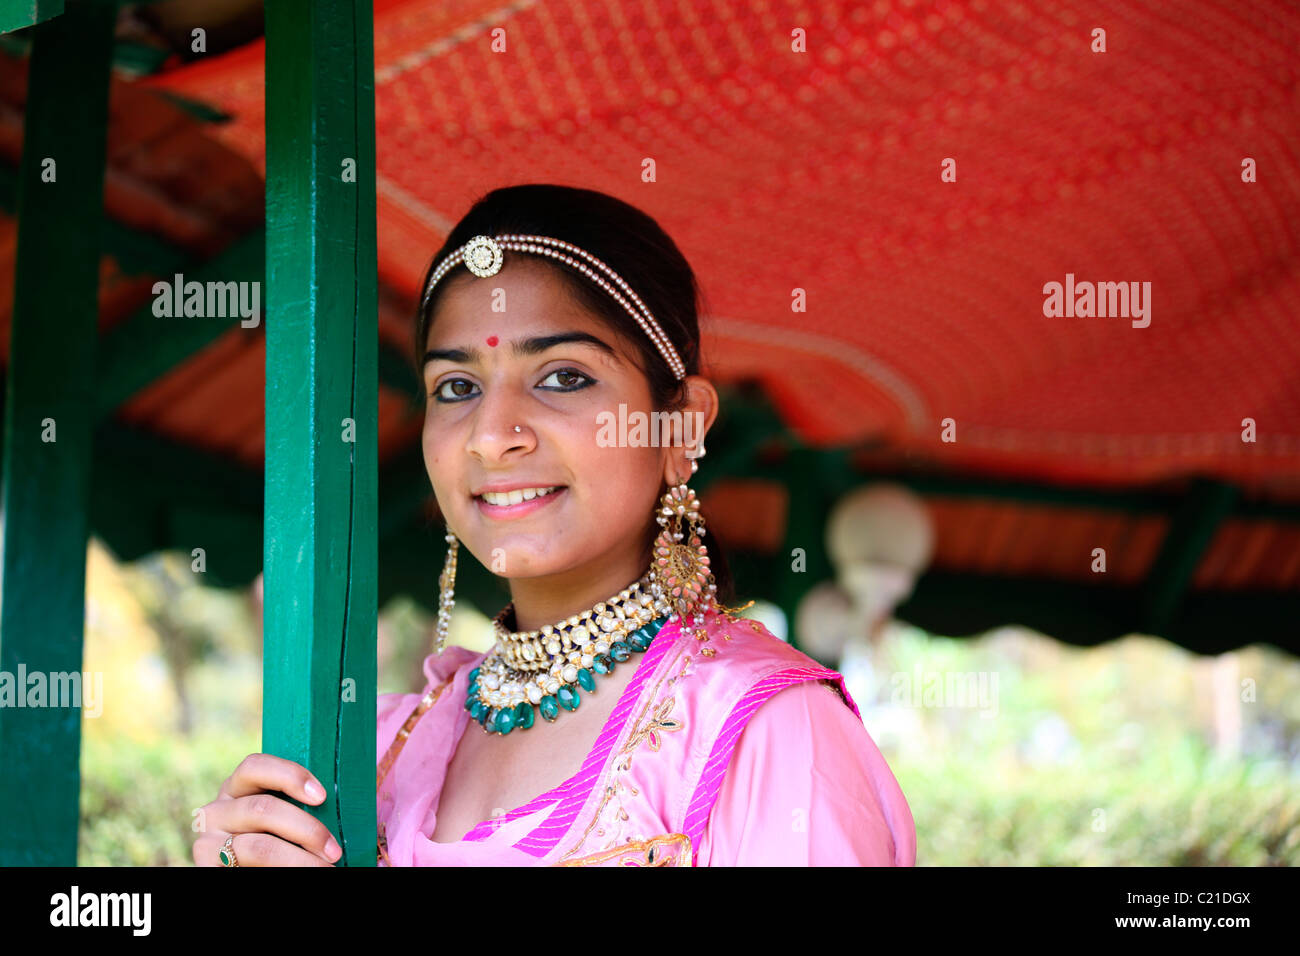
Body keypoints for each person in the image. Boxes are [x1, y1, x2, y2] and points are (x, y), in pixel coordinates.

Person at [192, 184, 916, 867]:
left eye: (563, 377)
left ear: (680, 427)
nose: (491, 435)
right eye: (457, 387)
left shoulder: (769, 736)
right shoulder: (370, 752)